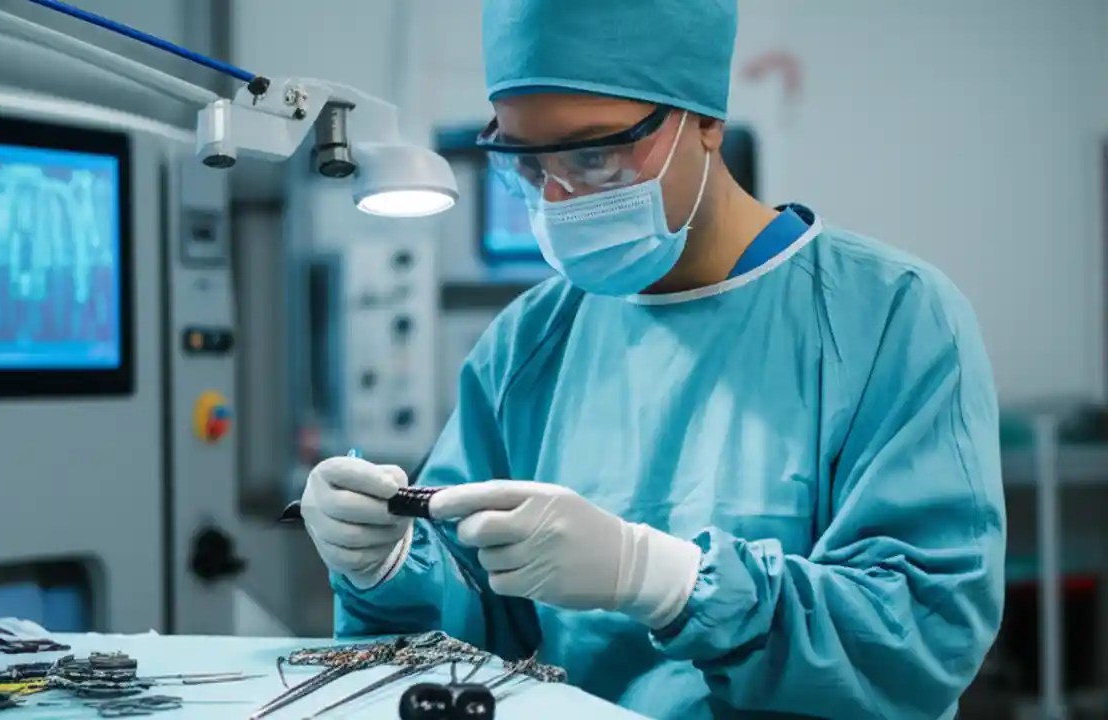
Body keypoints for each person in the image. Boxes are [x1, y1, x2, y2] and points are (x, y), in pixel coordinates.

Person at [298, 0, 1006, 717]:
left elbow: (921, 636)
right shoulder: (530, 341)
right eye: (527, 164)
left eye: (594, 156)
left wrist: (664, 581)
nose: (558, 198)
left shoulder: (891, 317)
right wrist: (390, 565)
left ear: (706, 120)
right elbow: (472, 630)